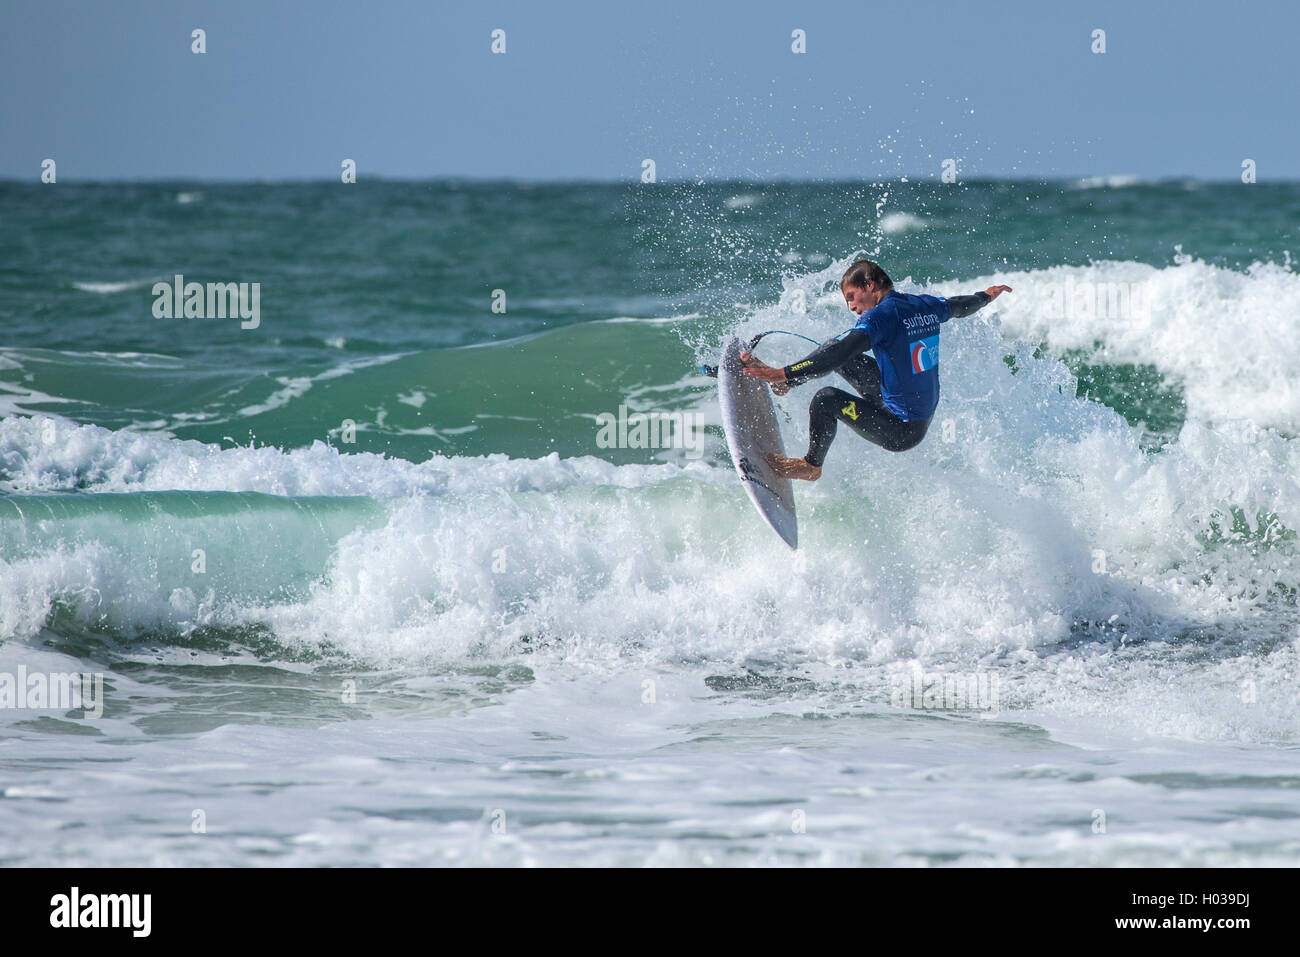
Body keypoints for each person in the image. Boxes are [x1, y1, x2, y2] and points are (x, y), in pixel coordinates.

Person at [741, 259, 1011, 480]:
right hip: (906, 405)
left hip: (901, 429)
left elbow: (838, 355)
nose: (852, 307)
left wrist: (784, 371)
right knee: (833, 346)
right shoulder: (924, 305)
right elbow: (959, 307)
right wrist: (985, 296)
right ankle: (785, 385)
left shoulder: (880, 317)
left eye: (852, 297)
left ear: (870, 285)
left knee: (826, 398)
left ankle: (811, 465)